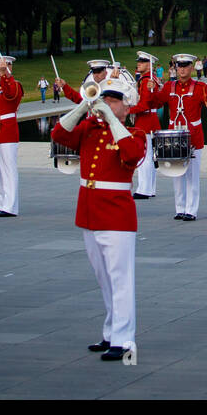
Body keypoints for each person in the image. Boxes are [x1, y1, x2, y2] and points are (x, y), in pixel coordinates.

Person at [51, 75, 146, 361]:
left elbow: (131, 154)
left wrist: (112, 120)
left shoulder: (135, 134)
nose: (106, 103)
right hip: (90, 212)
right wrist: (84, 107)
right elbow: (59, 134)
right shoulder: (89, 128)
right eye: (105, 98)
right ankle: (110, 333)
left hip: (116, 215)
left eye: (114, 100)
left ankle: (124, 339)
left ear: (126, 107)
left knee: (120, 279)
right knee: (103, 278)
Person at [149, 53, 207, 221]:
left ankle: (191, 210)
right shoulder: (169, 87)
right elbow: (155, 103)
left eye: (185, 66)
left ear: (191, 68)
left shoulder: (200, 87)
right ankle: (180, 208)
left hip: (193, 137)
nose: (182, 69)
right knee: (176, 174)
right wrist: (150, 90)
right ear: (176, 68)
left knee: (192, 175)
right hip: (174, 136)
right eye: (179, 66)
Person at [0, 54, 24, 218]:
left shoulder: (15, 85)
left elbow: (11, 94)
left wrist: (6, 75)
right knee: (1, 172)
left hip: (8, 132)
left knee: (8, 171)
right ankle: (3, 203)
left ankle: (10, 206)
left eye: (1, 68)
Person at [131, 52, 162, 199]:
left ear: (149, 64)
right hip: (151, 119)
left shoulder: (146, 80)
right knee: (149, 156)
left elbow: (144, 105)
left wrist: (126, 110)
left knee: (144, 157)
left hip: (145, 120)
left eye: (142, 62)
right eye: (139, 61)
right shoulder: (152, 78)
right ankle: (150, 188)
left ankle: (144, 189)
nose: (139, 64)